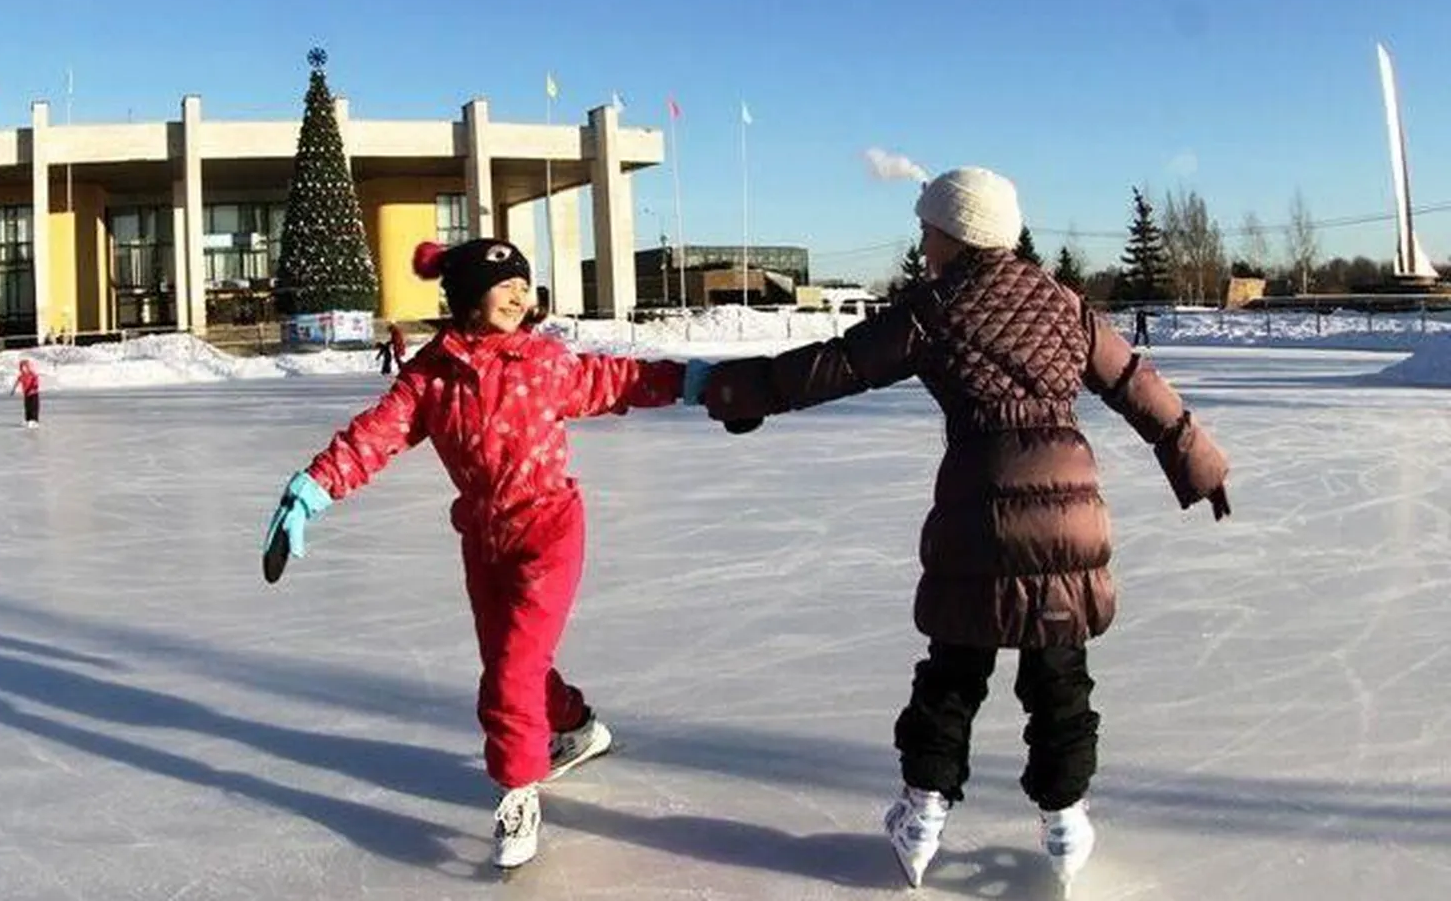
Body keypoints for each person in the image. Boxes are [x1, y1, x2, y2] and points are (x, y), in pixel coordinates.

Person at [702, 167, 1231, 893]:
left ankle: (921, 813)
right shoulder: (1063, 303)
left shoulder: (935, 308)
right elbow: (1134, 380)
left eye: (929, 232)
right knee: (1059, 675)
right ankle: (1066, 816)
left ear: (959, 233)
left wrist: (746, 391)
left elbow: (840, 365)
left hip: (980, 511)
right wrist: (1195, 459)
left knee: (954, 671)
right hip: (1070, 514)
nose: (922, 247)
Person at [261, 238, 711, 871]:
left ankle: (517, 789)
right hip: (484, 538)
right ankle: (575, 726)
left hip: (550, 529)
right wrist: (313, 488)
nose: (521, 295)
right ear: (470, 294)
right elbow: (375, 436)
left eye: (525, 285)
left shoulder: (544, 360)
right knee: (514, 662)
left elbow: (620, 378)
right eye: (506, 286)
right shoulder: (431, 376)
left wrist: (700, 382)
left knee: (509, 674)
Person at [12, 358, 41, 429]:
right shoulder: (21, 376)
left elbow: (35, 382)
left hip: (33, 393)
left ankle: (34, 420)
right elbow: (17, 382)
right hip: (26, 394)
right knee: (27, 407)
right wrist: (13, 390)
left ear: (28, 367)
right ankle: (28, 420)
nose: (23, 369)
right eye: (22, 367)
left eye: (25, 367)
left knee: (33, 407)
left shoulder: (32, 374)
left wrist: (34, 388)